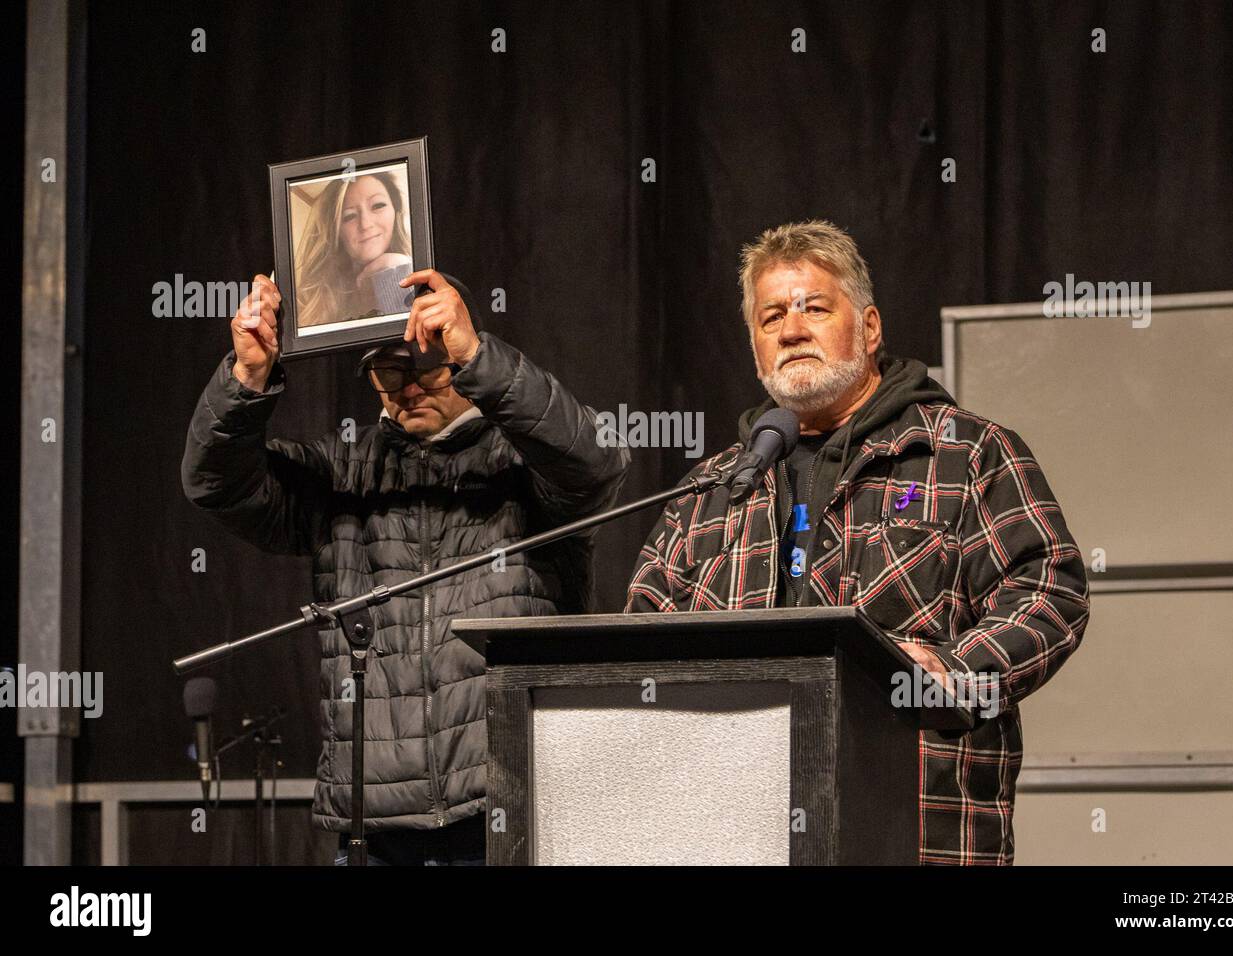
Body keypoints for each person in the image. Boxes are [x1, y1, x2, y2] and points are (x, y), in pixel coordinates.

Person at [625, 219, 1089, 865]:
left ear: (870, 328)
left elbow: (1047, 590)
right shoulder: (710, 488)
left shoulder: (966, 452)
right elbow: (640, 638)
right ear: (755, 347)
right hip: (735, 832)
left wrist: (951, 673)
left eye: (814, 308)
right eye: (771, 318)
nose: (791, 330)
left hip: (916, 829)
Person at [182, 267, 628, 864]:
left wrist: (479, 357)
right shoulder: (340, 472)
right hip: (378, 832)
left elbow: (596, 462)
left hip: (517, 813)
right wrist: (247, 379)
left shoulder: (524, 462)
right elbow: (215, 484)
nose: (410, 388)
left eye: (430, 366)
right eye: (391, 371)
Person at [293, 170, 415, 328]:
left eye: (378, 205)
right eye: (349, 216)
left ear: (395, 211)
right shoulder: (308, 304)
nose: (365, 224)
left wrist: (395, 267)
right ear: (336, 232)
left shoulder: (424, 278)